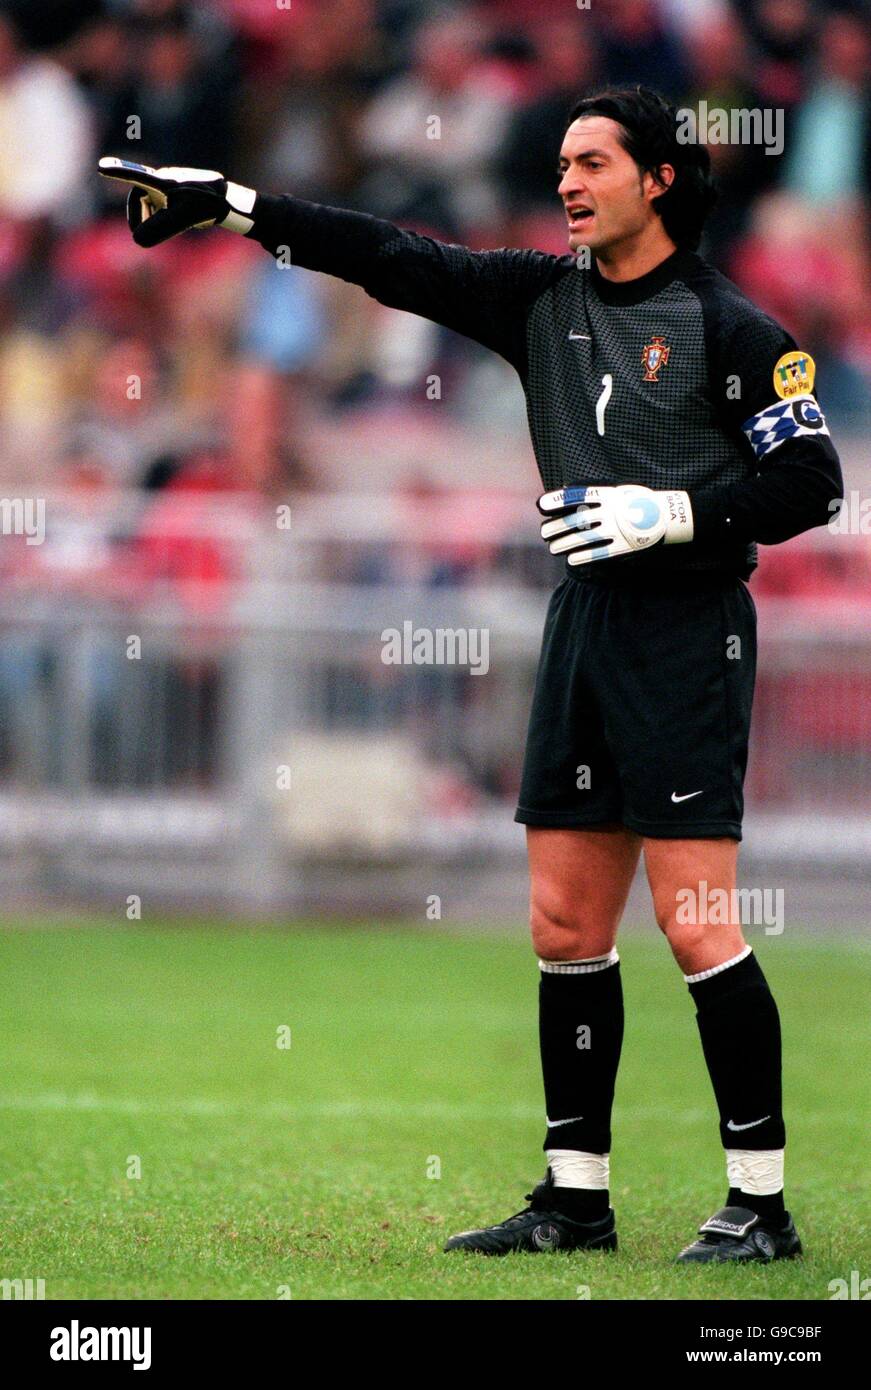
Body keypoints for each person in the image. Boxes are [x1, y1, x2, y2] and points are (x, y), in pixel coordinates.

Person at [98, 84, 842, 1263]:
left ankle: (759, 1202)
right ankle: (573, 1197)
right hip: (584, 626)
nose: (567, 181)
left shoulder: (734, 329)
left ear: (658, 180)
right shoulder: (540, 299)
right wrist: (229, 206)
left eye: (592, 161)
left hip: (689, 629)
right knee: (562, 923)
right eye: (559, 161)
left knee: (697, 922)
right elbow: (387, 256)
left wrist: (671, 513)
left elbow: (814, 482)